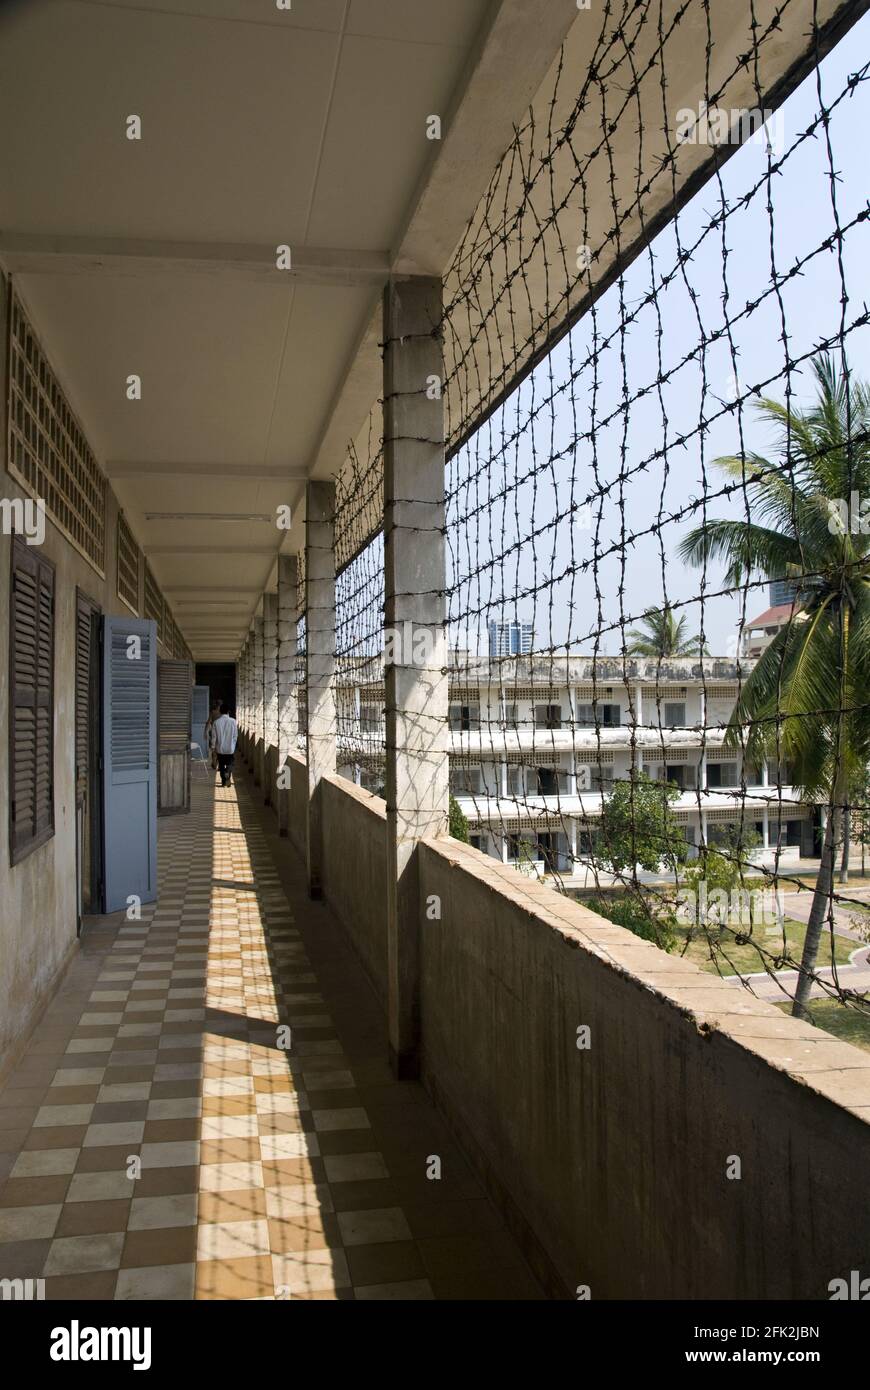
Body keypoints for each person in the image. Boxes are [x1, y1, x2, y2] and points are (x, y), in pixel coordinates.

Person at [211, 702, 239, 788]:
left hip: (220, 749)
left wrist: (213, 747)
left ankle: (223, 782)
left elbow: (214, 737)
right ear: (228, 711)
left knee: (221, 764)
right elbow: (235, 735)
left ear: (220, 711)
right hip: (230, 748)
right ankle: (228, 771)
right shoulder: (233, 721)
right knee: (230, 763)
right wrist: (233, 745)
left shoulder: (216, 722)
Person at [205, 700, 221, 770]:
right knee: (220, 749)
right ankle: (219, 764)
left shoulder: (213, 712)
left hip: (213, 733)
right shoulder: (223, 713)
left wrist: (205, 732)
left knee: (213, 749)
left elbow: (208, 722)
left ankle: (214, 763)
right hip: (221, 733)